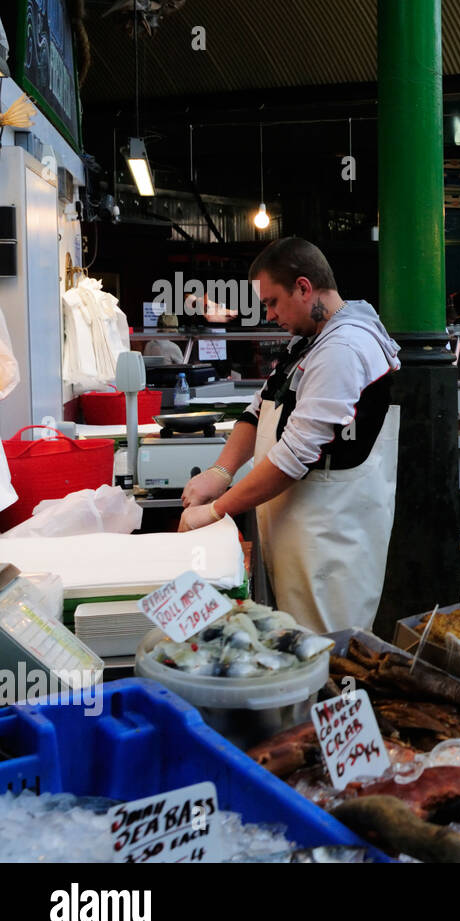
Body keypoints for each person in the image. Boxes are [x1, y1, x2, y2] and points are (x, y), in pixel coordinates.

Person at [178, 237, 401, 633]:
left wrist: (214, 511)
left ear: (303, 287)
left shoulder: (344, 348)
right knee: (295, 648)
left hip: (329, 540)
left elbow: (294, 456)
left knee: (326, 656)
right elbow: (260, 406)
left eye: (272, 302)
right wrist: (221, 472)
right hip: (297, 528)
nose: (269, 314)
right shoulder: (309, 340)